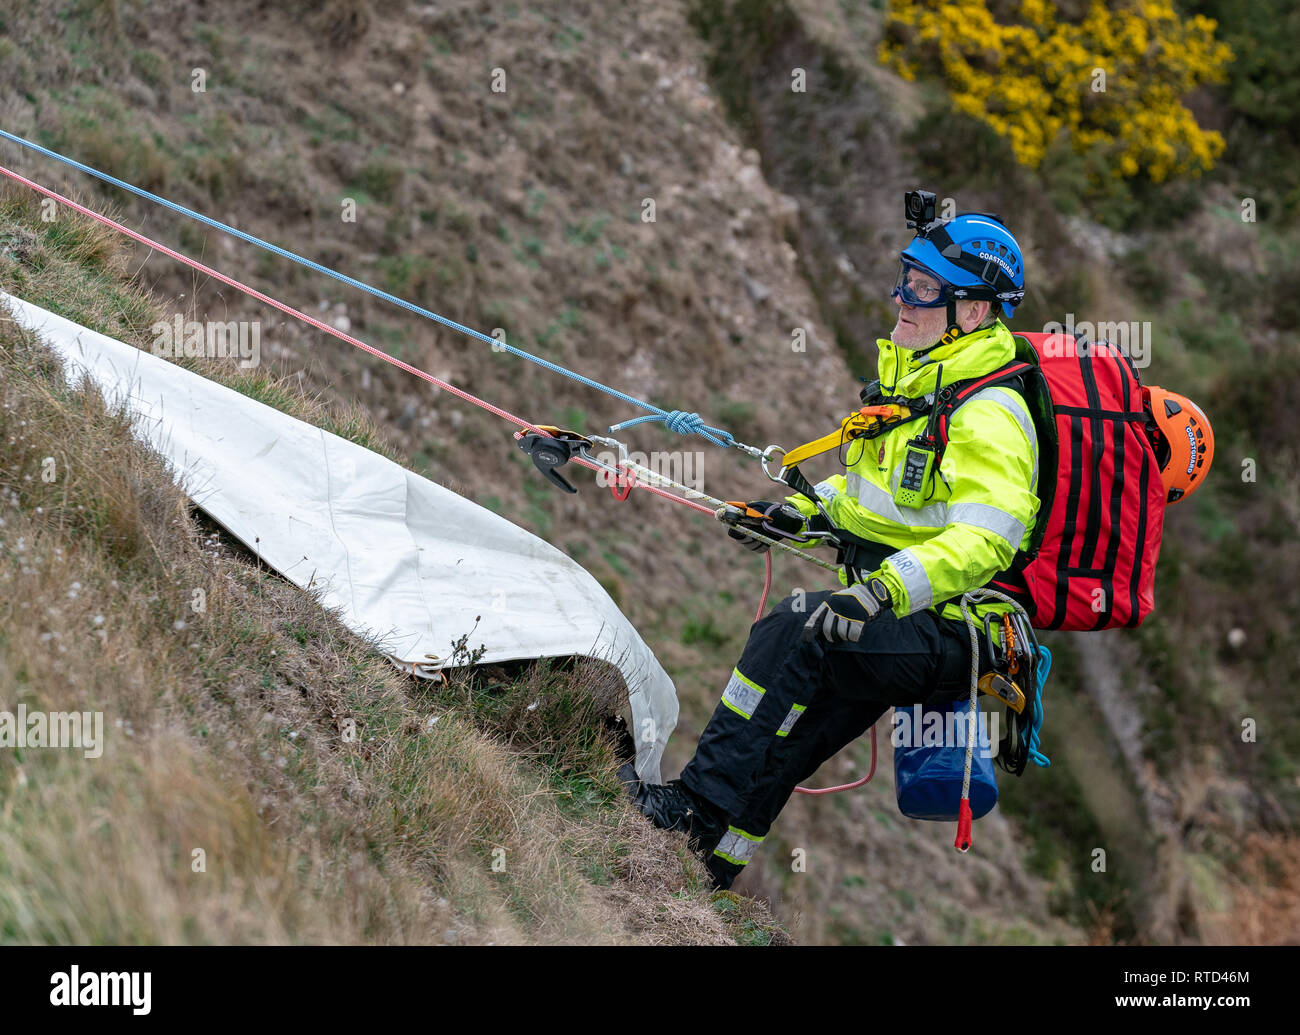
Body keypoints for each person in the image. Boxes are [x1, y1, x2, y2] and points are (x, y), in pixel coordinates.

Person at [621, 196, 1042, 890]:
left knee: (791, 627)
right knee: (790, 739)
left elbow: (986, 540)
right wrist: (794, 514)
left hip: (950, 626)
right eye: (905, 277)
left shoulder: (989, 410)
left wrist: (879, 590)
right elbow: (869, 502)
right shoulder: (922, 389)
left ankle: (689, 808)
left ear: (973, 311)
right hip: (898, 613)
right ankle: (708, 871)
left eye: (926, 288)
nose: (902, 298)